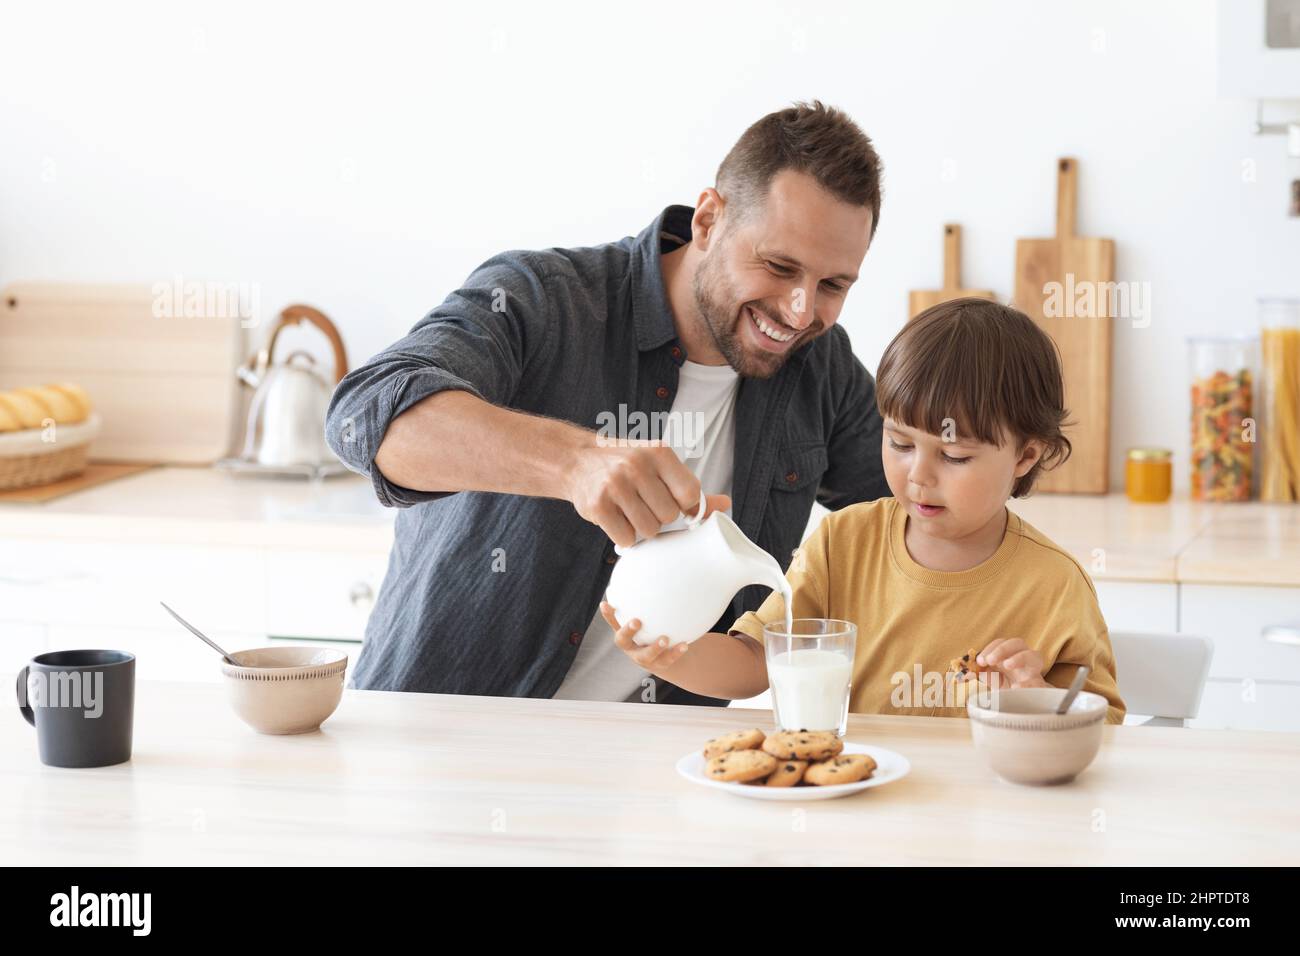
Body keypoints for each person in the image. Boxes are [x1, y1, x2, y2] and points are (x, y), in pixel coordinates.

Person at [324, 101, 892, 704]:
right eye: (779, 267)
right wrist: (575, 462)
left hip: (659, 776)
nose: (801, 311)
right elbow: (365, 415)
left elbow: (919, 512)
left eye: (833, 285)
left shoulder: (819, 369)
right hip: (448, 746)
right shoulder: (544, 298)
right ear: (708, 221)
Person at [602, 298, 1127, 723]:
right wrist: (672, 653)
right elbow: (757, 661)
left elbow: (1103, 729)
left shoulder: (1054, 584)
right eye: (899, 443)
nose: (919, 474)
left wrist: (1033, 698)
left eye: (954, 455)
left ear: (1026, 456)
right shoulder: (844, 543)